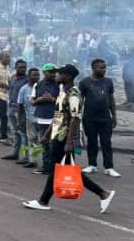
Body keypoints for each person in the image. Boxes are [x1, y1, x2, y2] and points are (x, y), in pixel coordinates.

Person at [23, 64, 116, 213]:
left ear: (67, 76)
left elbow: (74, 119)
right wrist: (47, 135)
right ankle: (103, 194)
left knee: (59, 169)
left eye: (60, 73)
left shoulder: (73, 94)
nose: (56, 75)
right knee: (64, 170)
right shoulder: (63, 93)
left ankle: (43, 201)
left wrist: (69, 141)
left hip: (64, 138)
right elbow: (58, 116)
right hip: (57, 136)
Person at [79, 58, 119, 177]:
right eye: (101, 67)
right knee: (92, 142)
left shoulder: (108, 82)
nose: (104, 70)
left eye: (105, 67)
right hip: (89, 117)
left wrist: (114, 115)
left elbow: (111, 99)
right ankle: (92, 165)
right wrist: (77, 117)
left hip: (105, 117)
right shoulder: (84, 82)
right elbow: (80, 101)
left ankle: (109, 167)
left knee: (106, 142)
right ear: (93, 68)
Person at [31, 64, 60, 174]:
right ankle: (46, 166)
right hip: (41, 119)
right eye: (50, 72)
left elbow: (63, 101)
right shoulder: (37, 85)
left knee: (54, 145)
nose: (53, 74)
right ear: (44, 72)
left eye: (54, 72)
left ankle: (53, 167)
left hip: (54, 119)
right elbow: (32, 102)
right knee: (44, 144)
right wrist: (39, 100)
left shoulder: (59, 85)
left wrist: (52, 99)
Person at [2, 60, 29, 161]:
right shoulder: (13, 77)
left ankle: (26, 157)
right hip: (11, 108)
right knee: (14, 132)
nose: (22, 69)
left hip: (21, 110)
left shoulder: (27, 80)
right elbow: (12, 89)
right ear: (15, 67)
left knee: (23, 134)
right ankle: (15, 154)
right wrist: (6, 87)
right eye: (20, 67)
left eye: (24, 67)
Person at [17, 67, 41, 169]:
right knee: (32, 140)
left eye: (38, 75)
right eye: (34, 75)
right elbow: (20, 106)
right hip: (30, 119)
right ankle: (33, 160)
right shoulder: (24, 89)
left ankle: (47, 161)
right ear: (29, 76)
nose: (36, 77)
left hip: (42, 119)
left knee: (44, 141)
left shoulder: (42, 87)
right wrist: (19, 120)